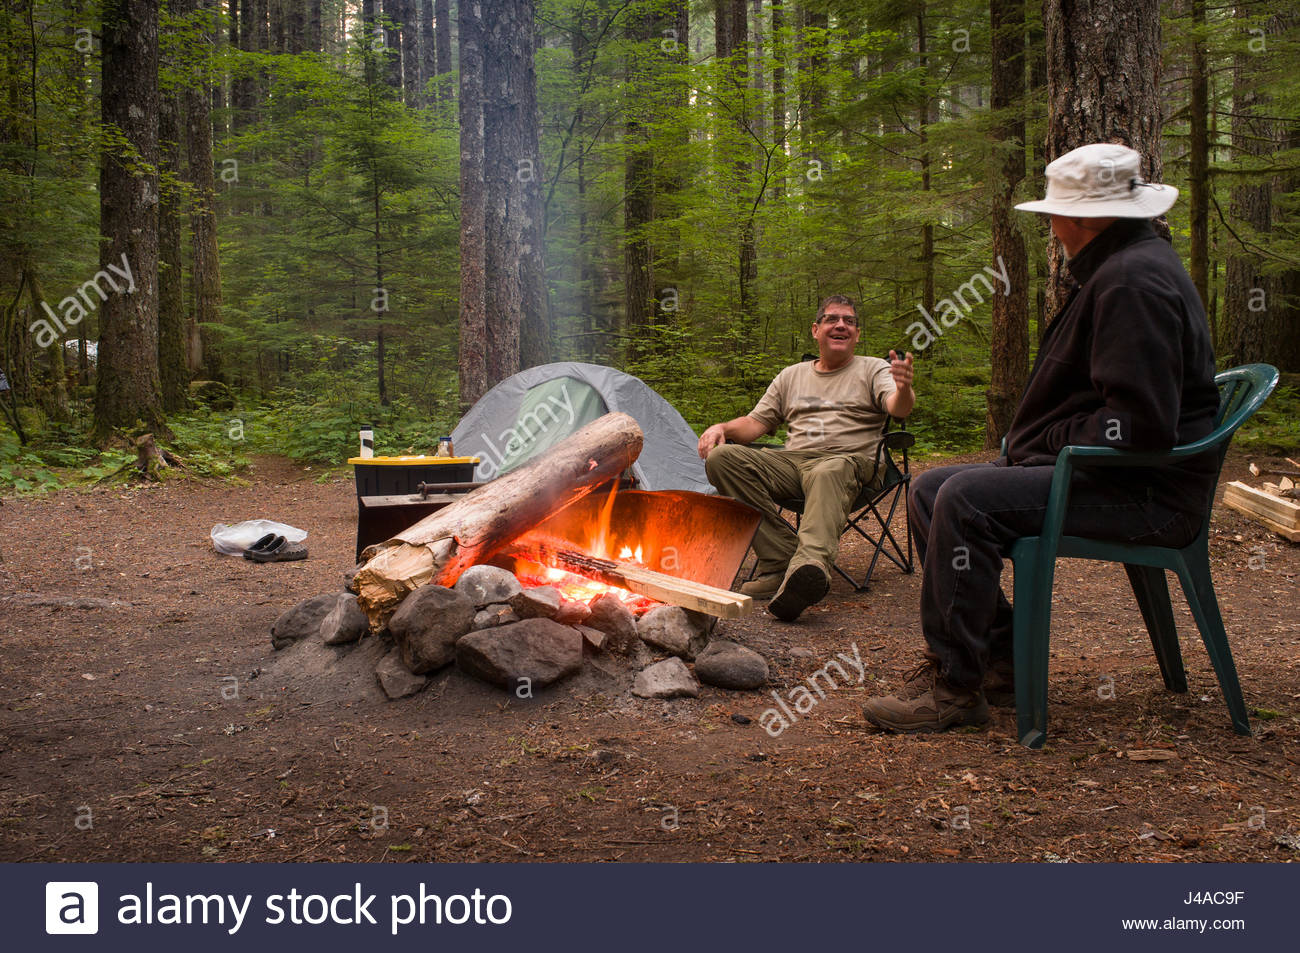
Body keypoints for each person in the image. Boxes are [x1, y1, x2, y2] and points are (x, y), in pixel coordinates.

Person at [861, 142, 1221, 734]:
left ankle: (955, 688)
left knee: (965, 499)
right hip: (1114, 473)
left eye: (1055, 213)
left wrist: (1044, 440)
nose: (1051, 227)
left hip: (1147, 495)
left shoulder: (1133, 283)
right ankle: (1000, 660)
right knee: (928, 491)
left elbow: (1141, 426)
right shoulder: (1122, 265)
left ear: (1086, 218)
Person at [698, 295, 915, 621]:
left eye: (849, 321)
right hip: (792, 463)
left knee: (831, 469)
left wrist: (904, 389)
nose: (841, 324)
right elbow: (755, 424)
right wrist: (722, 427)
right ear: (816, 330)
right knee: (723, 459)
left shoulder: (874, 368)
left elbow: (897, 407)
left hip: (849, 462)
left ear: (856, 335)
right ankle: (782, 558)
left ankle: (809, 567)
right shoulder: (791, 375)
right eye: (831, 319)